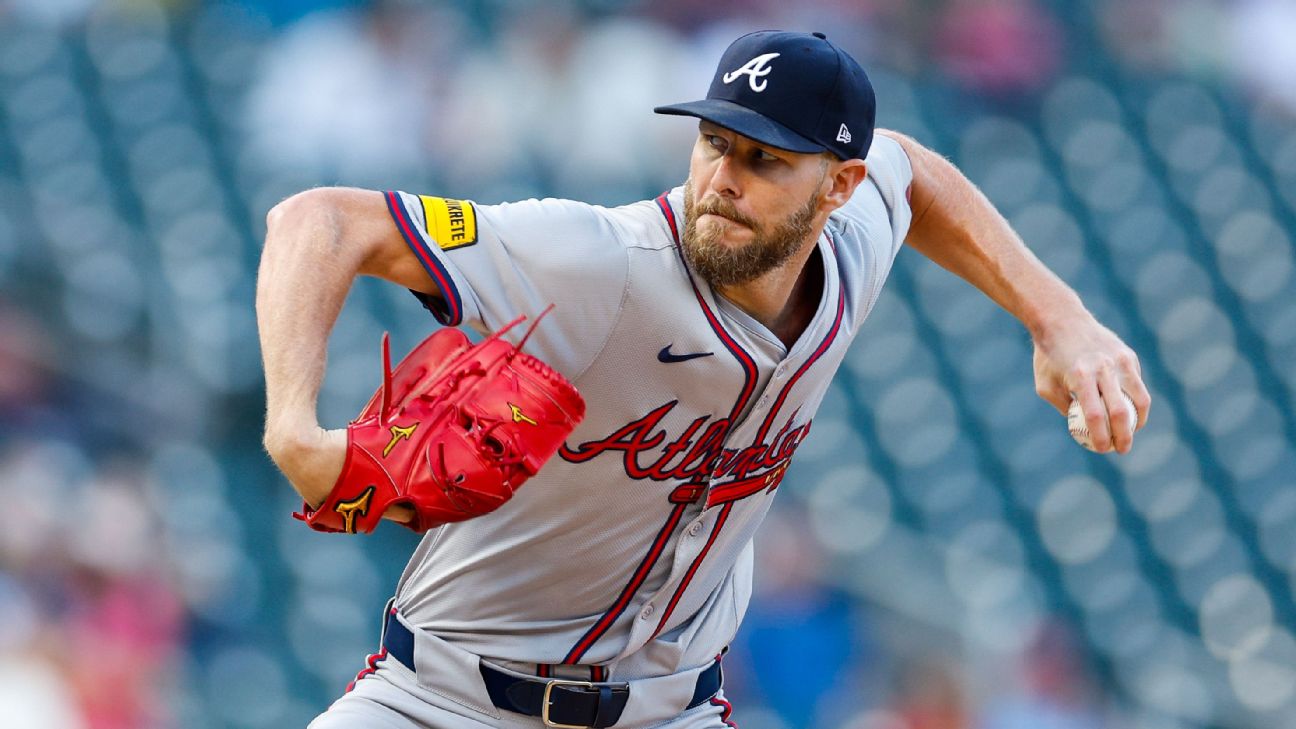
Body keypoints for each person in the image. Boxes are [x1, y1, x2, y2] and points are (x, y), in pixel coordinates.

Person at [256, 29, 1150, 729]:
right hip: (441, 698)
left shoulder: (854, 243)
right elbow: (321, 221)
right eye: (715, 142)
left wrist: (1059, 317)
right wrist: (294, 425)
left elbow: (909, 171)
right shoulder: (596, 261)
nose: (724, 177)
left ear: (837, 187)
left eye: (766, 158)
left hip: (669, 709)